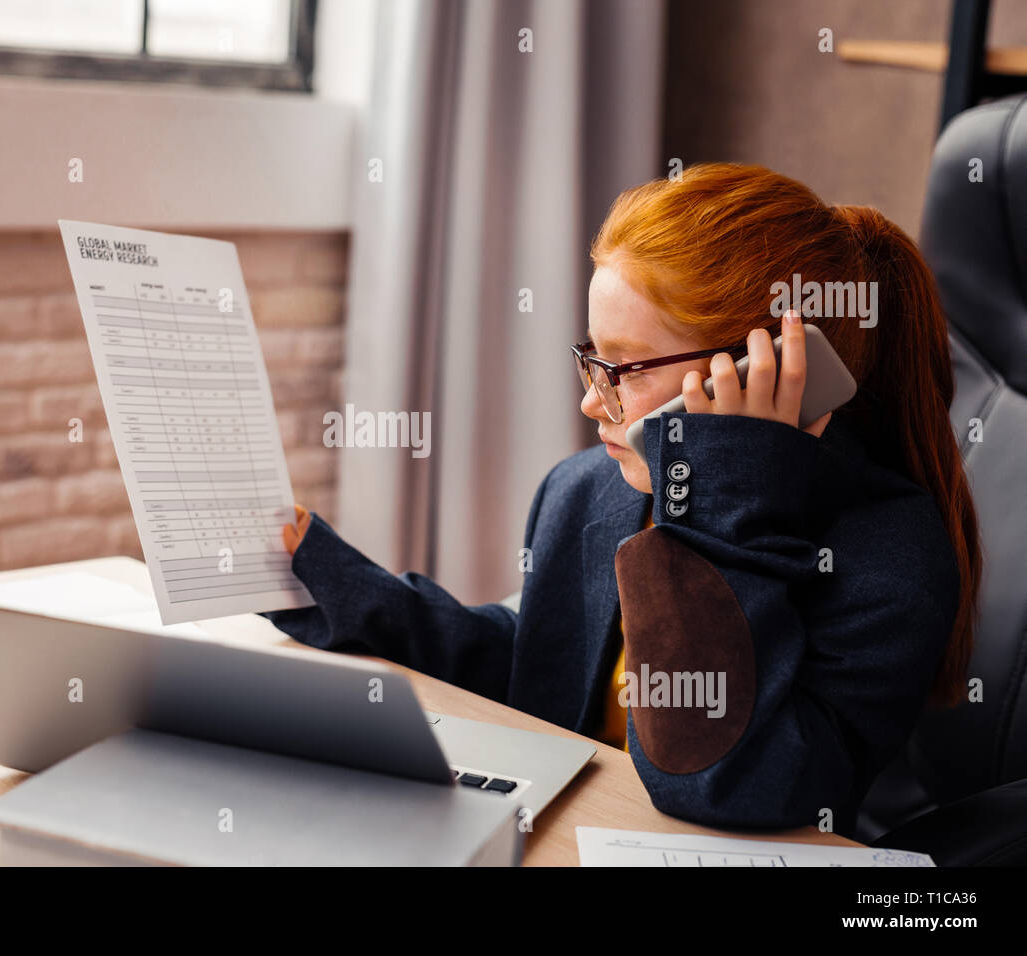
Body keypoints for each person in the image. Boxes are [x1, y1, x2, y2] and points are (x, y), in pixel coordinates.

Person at [260, 162, 981, 834]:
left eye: (623, 369)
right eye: (591, 359)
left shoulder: (891, 560)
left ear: (766, 369)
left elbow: (725, 781)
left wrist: (725, 499)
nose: (588, 401)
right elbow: (541, 663)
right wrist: (337, 584)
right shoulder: (590, 490)